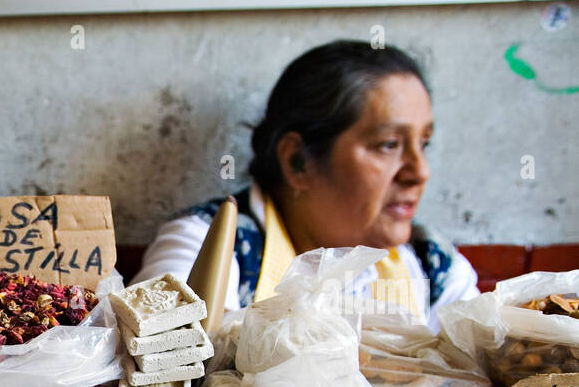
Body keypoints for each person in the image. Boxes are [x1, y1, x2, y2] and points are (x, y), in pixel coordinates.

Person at [133, 41, 478, 328]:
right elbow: (162, 347)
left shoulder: (432, 266)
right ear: (298, 161)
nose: (419, 172)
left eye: (424, 144)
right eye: (388, 144)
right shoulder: (209, 247)